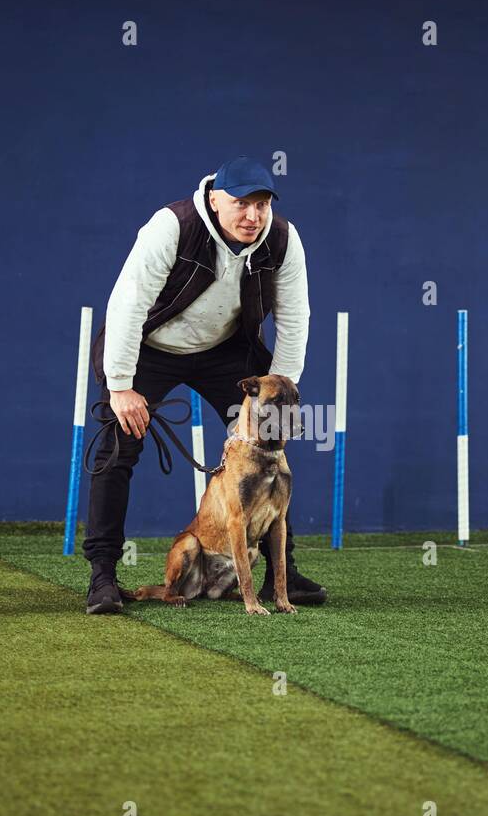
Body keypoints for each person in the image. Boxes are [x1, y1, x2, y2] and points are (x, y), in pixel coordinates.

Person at [82, 156, 327, 615]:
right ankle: (103, 575)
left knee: (271, 450)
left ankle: (283, 571)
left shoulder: (282, 239)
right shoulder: (170, 226)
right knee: (116, 451)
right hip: (151, 347)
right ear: (215, 199)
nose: (253, 216)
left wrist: (281, 390)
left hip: (225, 350)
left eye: (261, 204)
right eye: (240, 204)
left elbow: (295, 319)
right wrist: (120, 385)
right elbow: (128, 304)